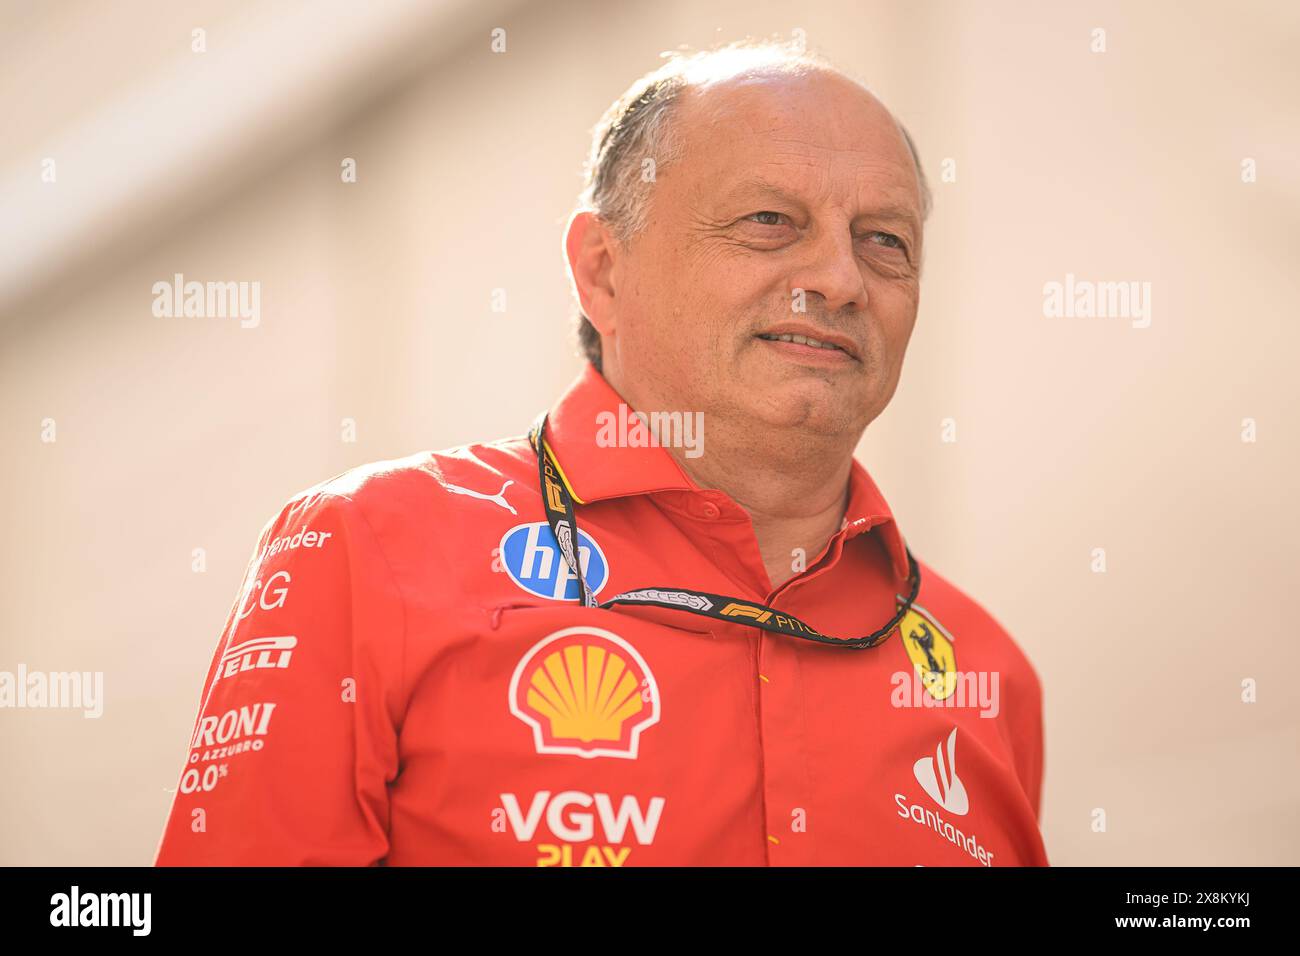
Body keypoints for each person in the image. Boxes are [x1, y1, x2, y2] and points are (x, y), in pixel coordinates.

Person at [155, 40, 1048, 866]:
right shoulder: (365, 550)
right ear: (602, 269)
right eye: (771, 220)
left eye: (884, 240)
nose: (841, 279)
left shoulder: (985, 672)